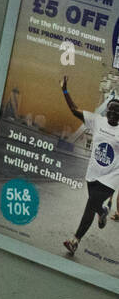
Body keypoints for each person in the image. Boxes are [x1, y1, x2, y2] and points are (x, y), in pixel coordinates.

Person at [59, 77, 119, 256]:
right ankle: (103, 212)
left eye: (118, 112)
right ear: (107, 110)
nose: (114, 114)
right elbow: (73, 109)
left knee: (90, 204)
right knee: (95, 205)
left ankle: (75, 240)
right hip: (93, 174)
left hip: (110, 178)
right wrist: (64, 90)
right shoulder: (96, 121)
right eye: (111, 110)